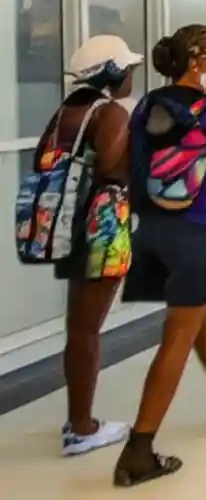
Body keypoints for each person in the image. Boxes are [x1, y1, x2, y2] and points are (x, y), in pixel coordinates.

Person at [115, 25, 206, 487]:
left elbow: (125, 163)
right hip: (199, 233)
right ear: (197, 61)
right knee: (178, 334)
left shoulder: (147, 105)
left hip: (153, 230)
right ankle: (140, 448)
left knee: (203, 318)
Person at [20, 36, 140, 457]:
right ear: (111, 73)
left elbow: (42, 158)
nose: (131, 75)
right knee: (87, 330)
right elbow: (111, 166)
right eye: (126, 69)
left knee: (79, 326)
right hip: (100, 227)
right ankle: (82, 427)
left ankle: (79, 419)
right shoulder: (109, 113)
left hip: (66, 226)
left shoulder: (67, 111)